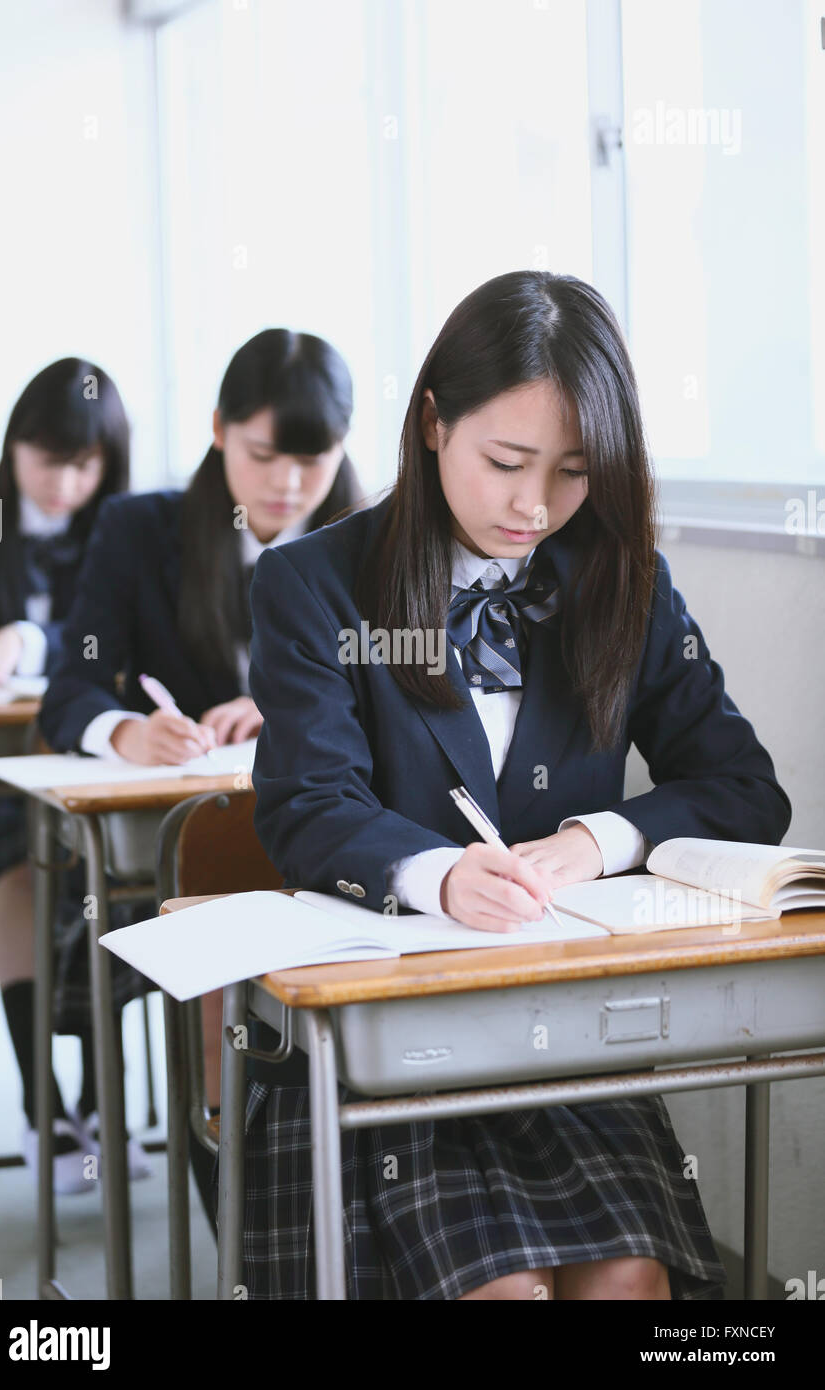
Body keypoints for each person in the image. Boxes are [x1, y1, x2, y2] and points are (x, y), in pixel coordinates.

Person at [243, 270, 792, 1300]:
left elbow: (741, 786)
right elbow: (307, 804)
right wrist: (437, 874)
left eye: (575, 471)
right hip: (387, 1046)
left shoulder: (620, 582)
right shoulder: (310, 582)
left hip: (562, 1042)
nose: (535, 505)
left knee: (633, 1282)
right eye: (504, 462)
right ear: (429, 423)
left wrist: (596, 838)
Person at [39, 327, 364, 1223]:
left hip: (345, 849)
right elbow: (68, 687)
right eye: (265, 454)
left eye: (316, 458)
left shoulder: (368, 543)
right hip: (196, 847)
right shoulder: (138, 530)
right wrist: (125, 731)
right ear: (219, 429)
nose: (290, 484)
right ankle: (244, 1222)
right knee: (224, 983)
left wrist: (296, 705)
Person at [0, 357, 132, 1192]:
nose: (66, 481)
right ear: (15, 446)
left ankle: (103, 1108)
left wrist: (31, 643)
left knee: (99, 872)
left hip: (86, 754)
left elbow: (122, 641)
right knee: (23, 862)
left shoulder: (127, 531)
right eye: (49, 459)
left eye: (86, 463)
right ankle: (44, 1106)